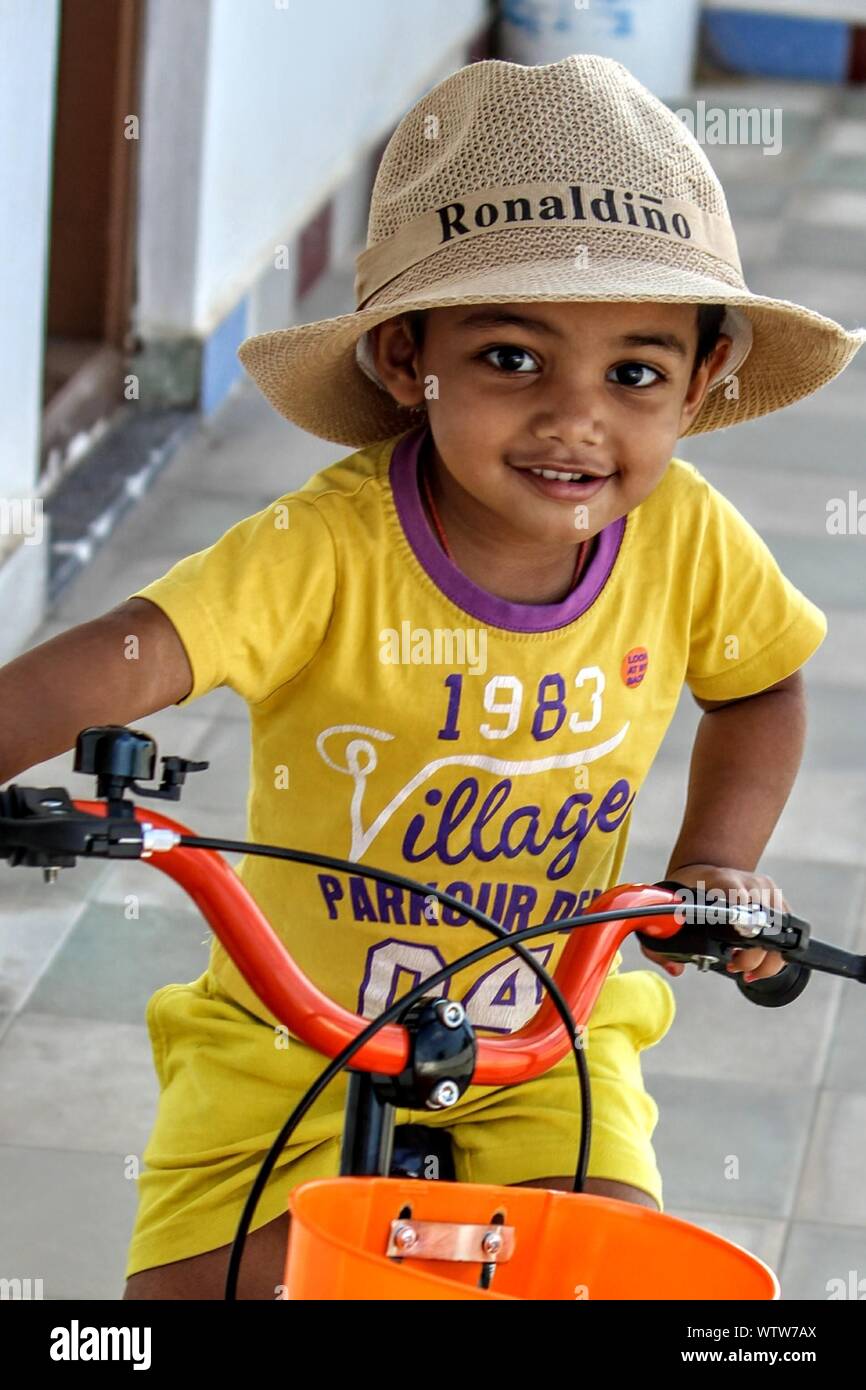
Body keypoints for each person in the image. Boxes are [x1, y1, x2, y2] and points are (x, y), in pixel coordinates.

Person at [2, 54, 862, 1300]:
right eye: (512, 357)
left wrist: (715, 858)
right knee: (175, 1306)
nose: (576, 418)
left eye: (633, 373)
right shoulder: (321, 545)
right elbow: (132, 650)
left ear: (701, 380)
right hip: (285, 1033)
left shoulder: (686, 536)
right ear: (409, 359)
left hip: (549, 1038)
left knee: (602, 1272)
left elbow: (758, 684)